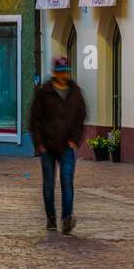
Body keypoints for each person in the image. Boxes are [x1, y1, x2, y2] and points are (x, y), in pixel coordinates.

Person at [29, 56, 87, 234]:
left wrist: (75, 140)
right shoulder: (44, 92)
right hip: (47, 145)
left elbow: (81, 116)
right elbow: (34, 119)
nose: (64, 75)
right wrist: (39, 143)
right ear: (55, 73)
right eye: (61, 72)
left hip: (67, 146)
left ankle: (67, 218)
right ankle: (51, 218)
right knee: (49, 184)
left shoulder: (75, 92)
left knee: (67, 182)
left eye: (67, 71)